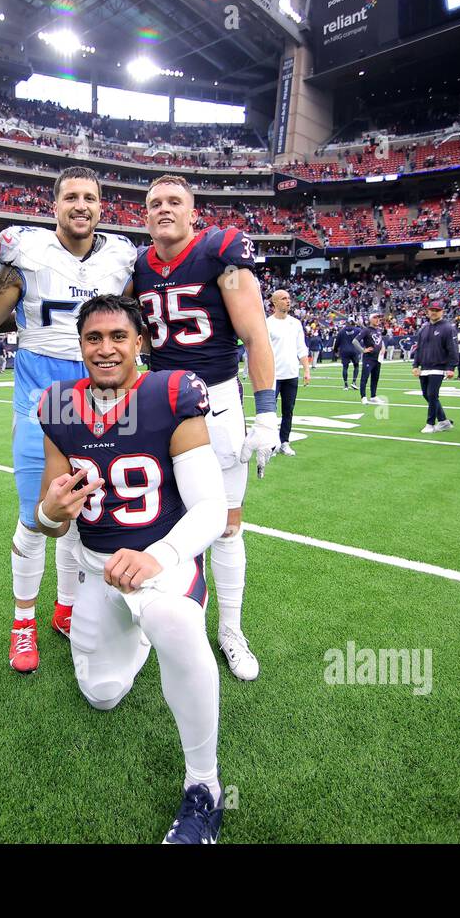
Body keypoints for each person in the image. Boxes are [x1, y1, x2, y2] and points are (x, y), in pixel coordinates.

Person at [37, 294, 229, 843]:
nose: (106, 348)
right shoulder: (58, 405)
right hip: (97, 570)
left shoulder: (170, 393)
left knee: (170, 620)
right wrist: (50, 512)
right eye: (93, 338)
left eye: (118, 336)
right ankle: (138, 635)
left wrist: (158, 557)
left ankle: (205, 788)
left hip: (162, 562)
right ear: (79, 346)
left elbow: (212, 510)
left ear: (139, 342)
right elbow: (48, 518)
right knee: (101, 694)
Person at [0, 165, 136, 673]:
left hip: (102, 401)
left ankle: (64, 609)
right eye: (71, 198)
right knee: (37, 517)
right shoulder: (25, 250)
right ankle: (23, 622)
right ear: (54, 205)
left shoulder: (122, 256)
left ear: (101, 205)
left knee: (83, 515)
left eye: (90, 197)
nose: (81, 205)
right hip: (42, 398)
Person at [131, 174, 277, 682]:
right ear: (145, 215)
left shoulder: (220, 251)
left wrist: (267, 414)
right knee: (165, 517)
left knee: (227, 525)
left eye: (175, 201)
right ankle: (165, 615)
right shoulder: (139, 265)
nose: (164, 209)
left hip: (216, 402)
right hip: (162, 401)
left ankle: (231, 630)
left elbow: (256, 336)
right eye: (154, 204)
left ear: (193, 212)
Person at [265, 289, 309, 455]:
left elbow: (301, 348)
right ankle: (271, 443)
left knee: (288, 411)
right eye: (283, 298)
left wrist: (306, 370)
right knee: (270, 411)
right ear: (275, 303)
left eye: (289, 298)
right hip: (273, 375)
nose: (288, 301)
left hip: (291, 374)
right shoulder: (268, 323)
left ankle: (284, 442)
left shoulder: (295, 323)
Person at [411, 301, 458, 433]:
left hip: (439, 367)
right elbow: (418, 348)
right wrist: (415, 364)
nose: (434, 312)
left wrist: (451, 367)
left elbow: (453, 348)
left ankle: (430, 424)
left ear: (442, 312)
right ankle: (443, 421)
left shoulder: (448, 328)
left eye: (437, 310)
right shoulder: (424, 328)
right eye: (432, 309)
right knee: (427, 395)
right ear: (428, 311)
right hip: (425, 368)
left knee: (432, 395)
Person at [356, 312, 386, 404]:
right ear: (370, 319)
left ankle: (373, 396)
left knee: (375, 377)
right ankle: (363, 396)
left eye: (378, 318)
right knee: (365, 377)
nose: (377, 319)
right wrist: (362, 350)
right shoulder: (366, 330)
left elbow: (381, 341)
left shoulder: (378, 330)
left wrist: (383, 347)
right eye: (375, 317)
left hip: (377, 358)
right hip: (369, 358)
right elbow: (355, 341)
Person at [333, 318, 362, 390]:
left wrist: (335, 350)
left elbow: (337, 343)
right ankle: (354, 382)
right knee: (356, 366)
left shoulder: (341, 331)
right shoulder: (358, 330)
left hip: (344, 351)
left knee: (345, 367)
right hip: (355, 350)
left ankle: (346, 385)